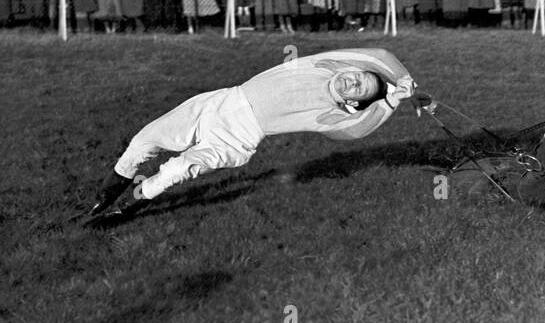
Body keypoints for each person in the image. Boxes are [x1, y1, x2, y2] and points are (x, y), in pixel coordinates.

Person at [84, 48, 418, 223]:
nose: (353, 81)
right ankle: (103, 199)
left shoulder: (328, 115)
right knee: (144, 141)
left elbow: (357, 130)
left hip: (237, 137)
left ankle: (132, 205)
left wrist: (390, 101)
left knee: (174, 170)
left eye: (360, 88)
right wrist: (402, 78)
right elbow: (383, 56)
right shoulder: (323, 64)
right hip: (218, 101)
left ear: (352, 102)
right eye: (358, 75)